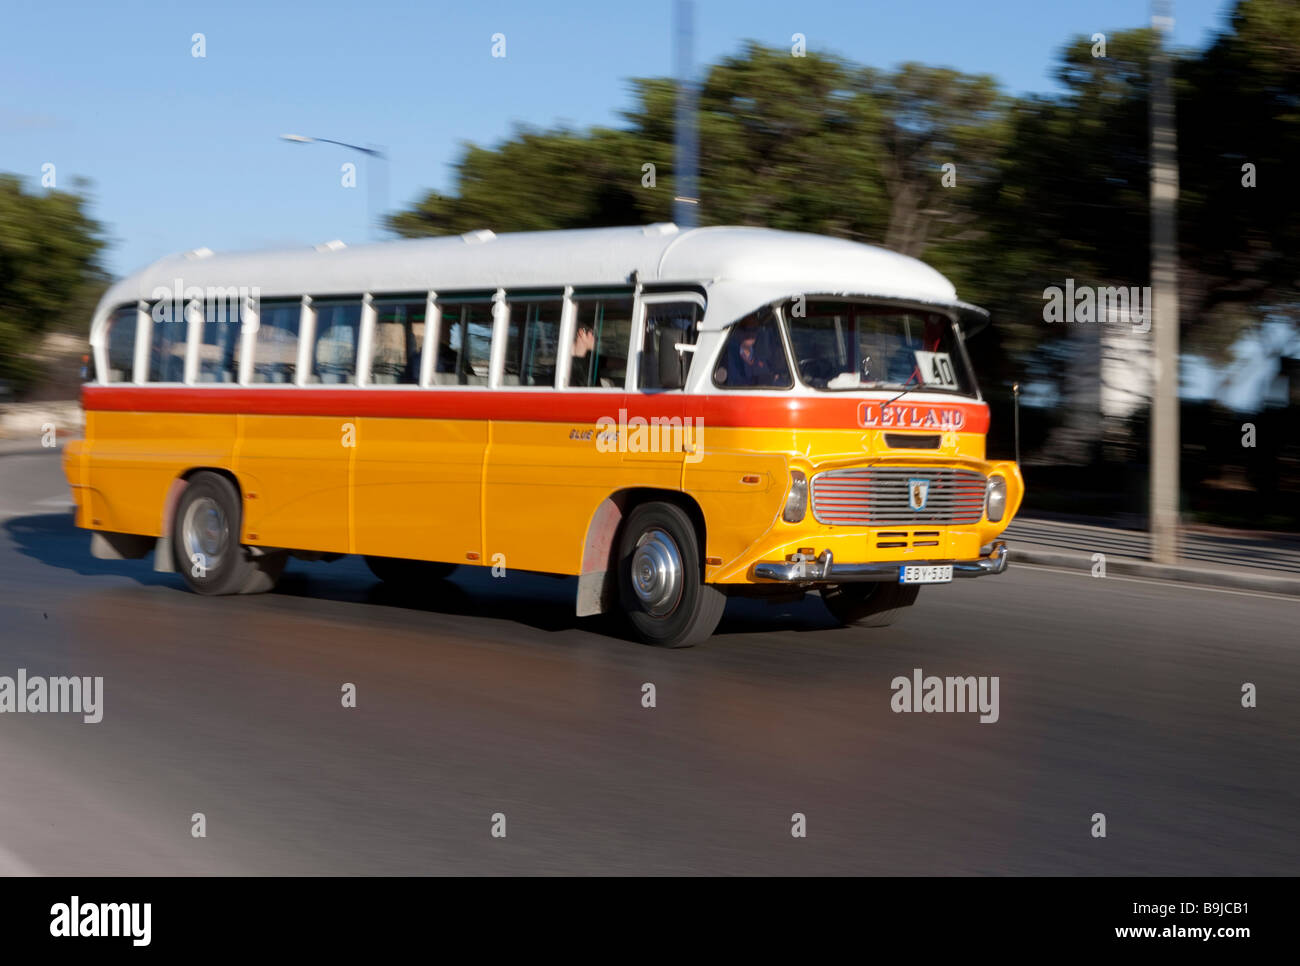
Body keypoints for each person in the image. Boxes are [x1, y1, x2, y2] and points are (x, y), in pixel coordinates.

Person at [715, 309, 788, 387]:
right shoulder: (725, 357)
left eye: (754, 329)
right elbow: (732, 385)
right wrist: (764, 379)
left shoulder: (763, 360)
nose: (750, 333)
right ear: (736, 331)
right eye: (745, 328)